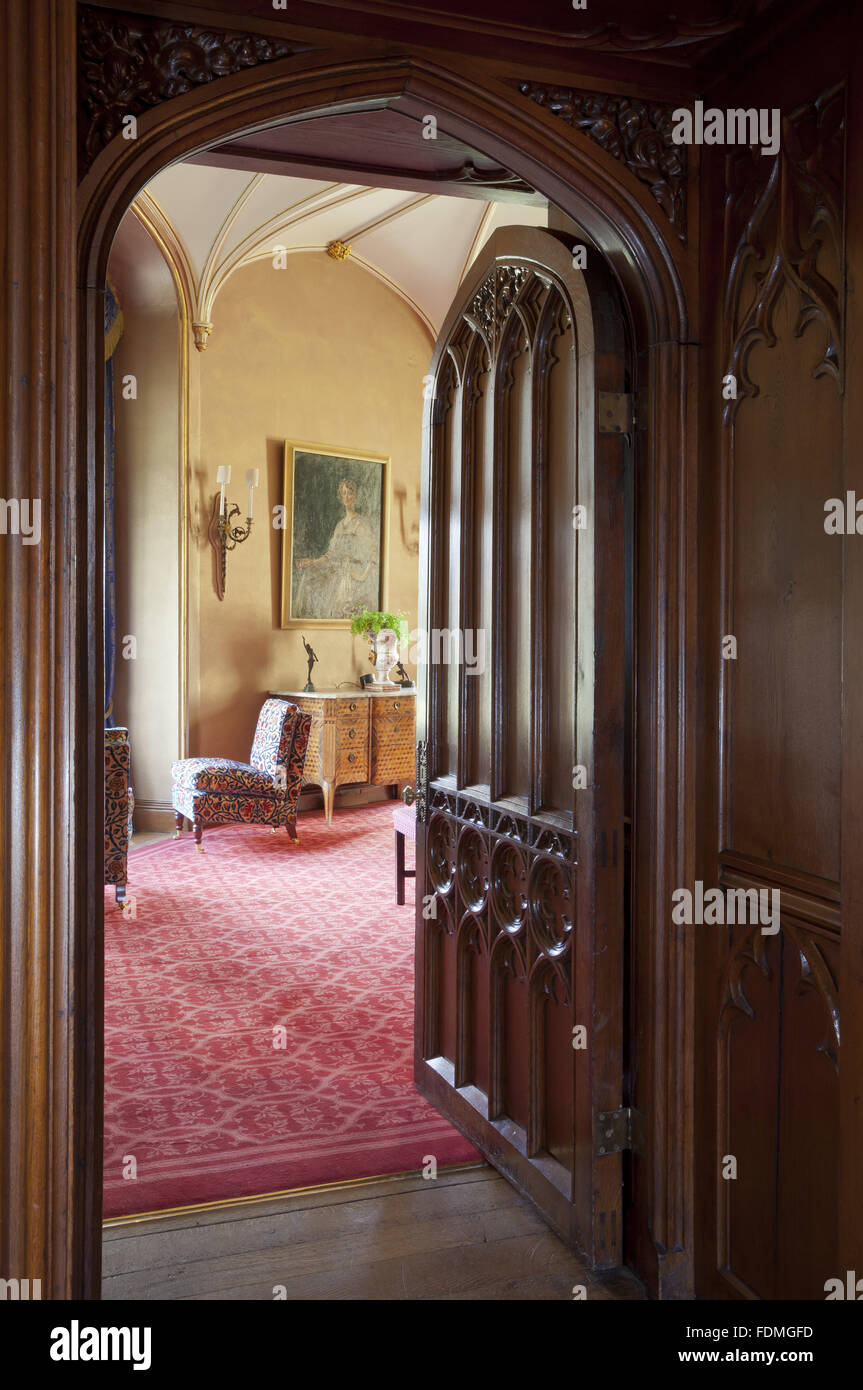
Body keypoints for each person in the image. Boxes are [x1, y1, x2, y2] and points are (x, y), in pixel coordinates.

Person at [294, 477, 378, 619]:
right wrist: (312, 562)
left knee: (338, 593)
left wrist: (363, 575)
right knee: (309, 576)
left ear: (355, 495)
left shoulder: (360, 523)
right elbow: (330, 554)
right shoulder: (340, 525)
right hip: (337, 568)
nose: (347, 496)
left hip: (352, 571)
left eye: (350, 492)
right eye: (344, 493)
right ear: (340, 496)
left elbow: (373, 550)